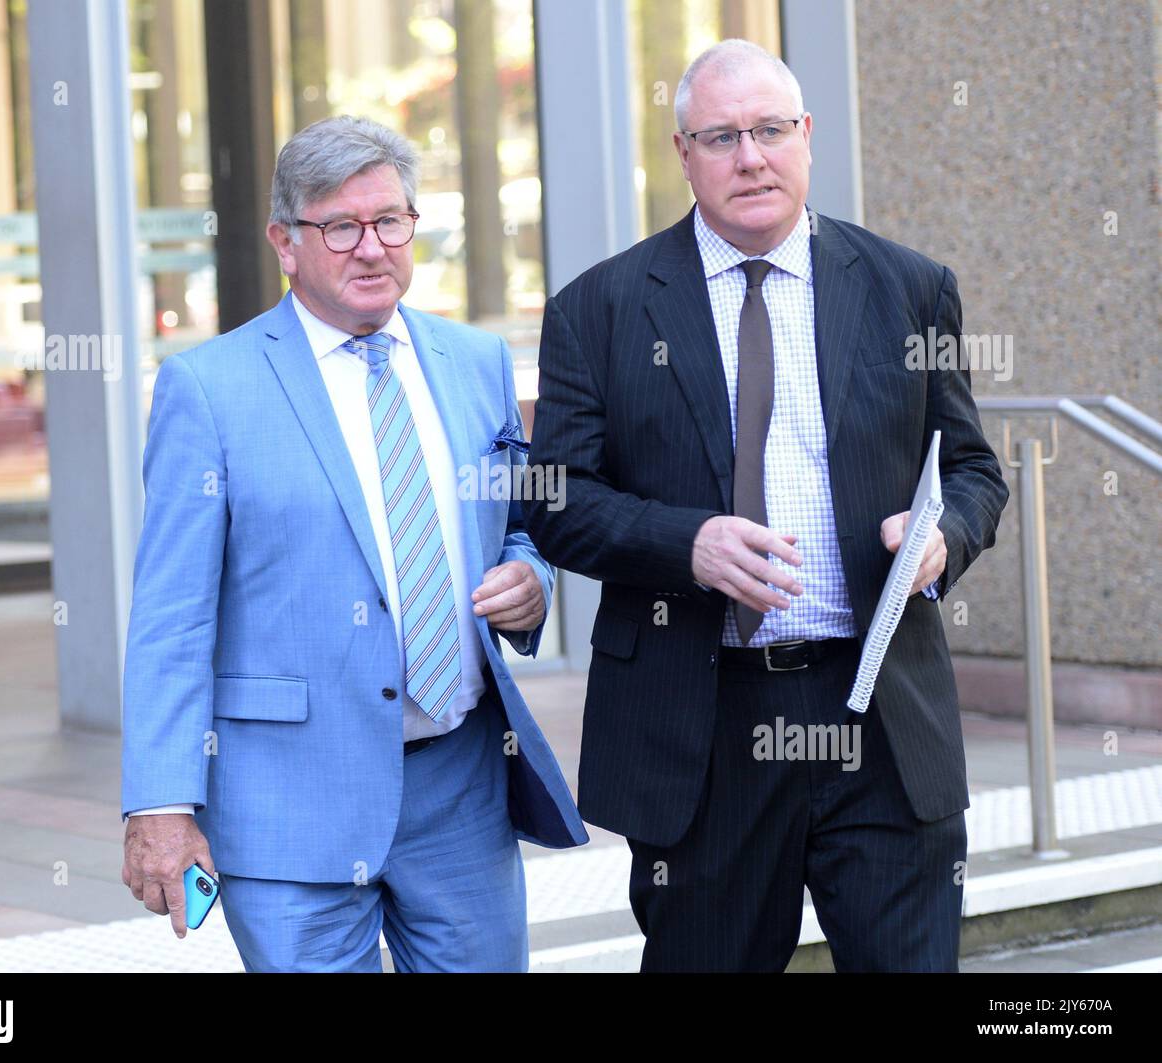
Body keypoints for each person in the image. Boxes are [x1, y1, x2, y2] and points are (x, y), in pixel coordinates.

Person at [524, 39, 1008, 972]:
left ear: (808, 136)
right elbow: (558, 502)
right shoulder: (602, 309)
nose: (750, 157)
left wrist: (942, 535)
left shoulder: (910, 288)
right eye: (721, 136)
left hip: (878, 717)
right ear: (683, 153)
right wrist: (687, 543)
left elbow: (975, 469)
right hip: (700, 732)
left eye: (771, 131)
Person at [120, 115, 586, 973]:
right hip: (290, 796)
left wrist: (529, 573)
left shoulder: (475, 360)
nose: (372, 248)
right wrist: (159, 800)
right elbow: (170, 616)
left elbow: (516, 521)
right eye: (341, 227)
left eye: (391, 221)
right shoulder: (209, 389)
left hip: (459, 784)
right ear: (285, 243)